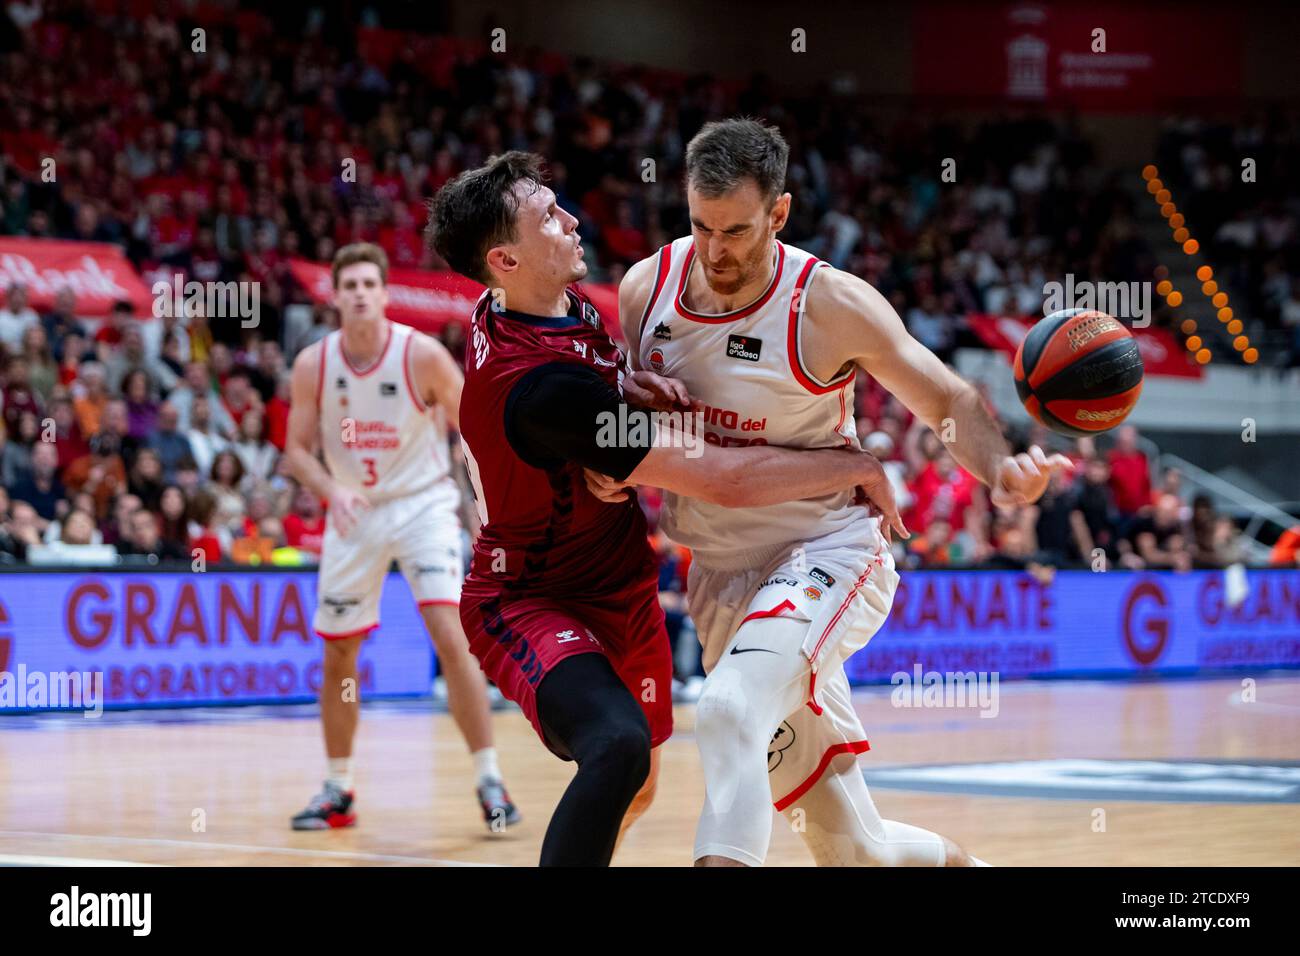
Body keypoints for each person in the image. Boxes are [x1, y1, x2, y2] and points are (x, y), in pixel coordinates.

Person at [604, 119, 1068, 867]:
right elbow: (620, 424)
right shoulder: (644, 291)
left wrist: (1004, 472)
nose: (715, 250)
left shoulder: (827, 303)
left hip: (827, 550)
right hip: (722, 577)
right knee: (856, 851)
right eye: (700, 226)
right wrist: (630, 395)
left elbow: (948, 399)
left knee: (725, 709)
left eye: (738, 230)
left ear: (780, 213)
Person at [427, 151, 899, 866]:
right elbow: (723, 480)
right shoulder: (543, 391)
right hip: (530, 595)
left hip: (620, 583)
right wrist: (857, 463)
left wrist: (627, 390)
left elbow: (591, 401)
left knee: (638, 778)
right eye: (549, 218)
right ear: (505, 258)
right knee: (615, 749)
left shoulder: (542, 304)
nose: (571, 220)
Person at [284, 242, 519, 832]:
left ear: (384, 294)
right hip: (354, 510)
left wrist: (482, 510)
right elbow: (295, 450)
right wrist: (331, 491)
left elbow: (475, 434)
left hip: (422, 504)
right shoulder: (314, 363)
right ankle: (338, 787)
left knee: (448, 632)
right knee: (338, 650)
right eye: (350, 285)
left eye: (369, 283)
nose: (360, 293)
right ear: (334, 296)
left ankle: (490, 778)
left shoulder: (421, 356)